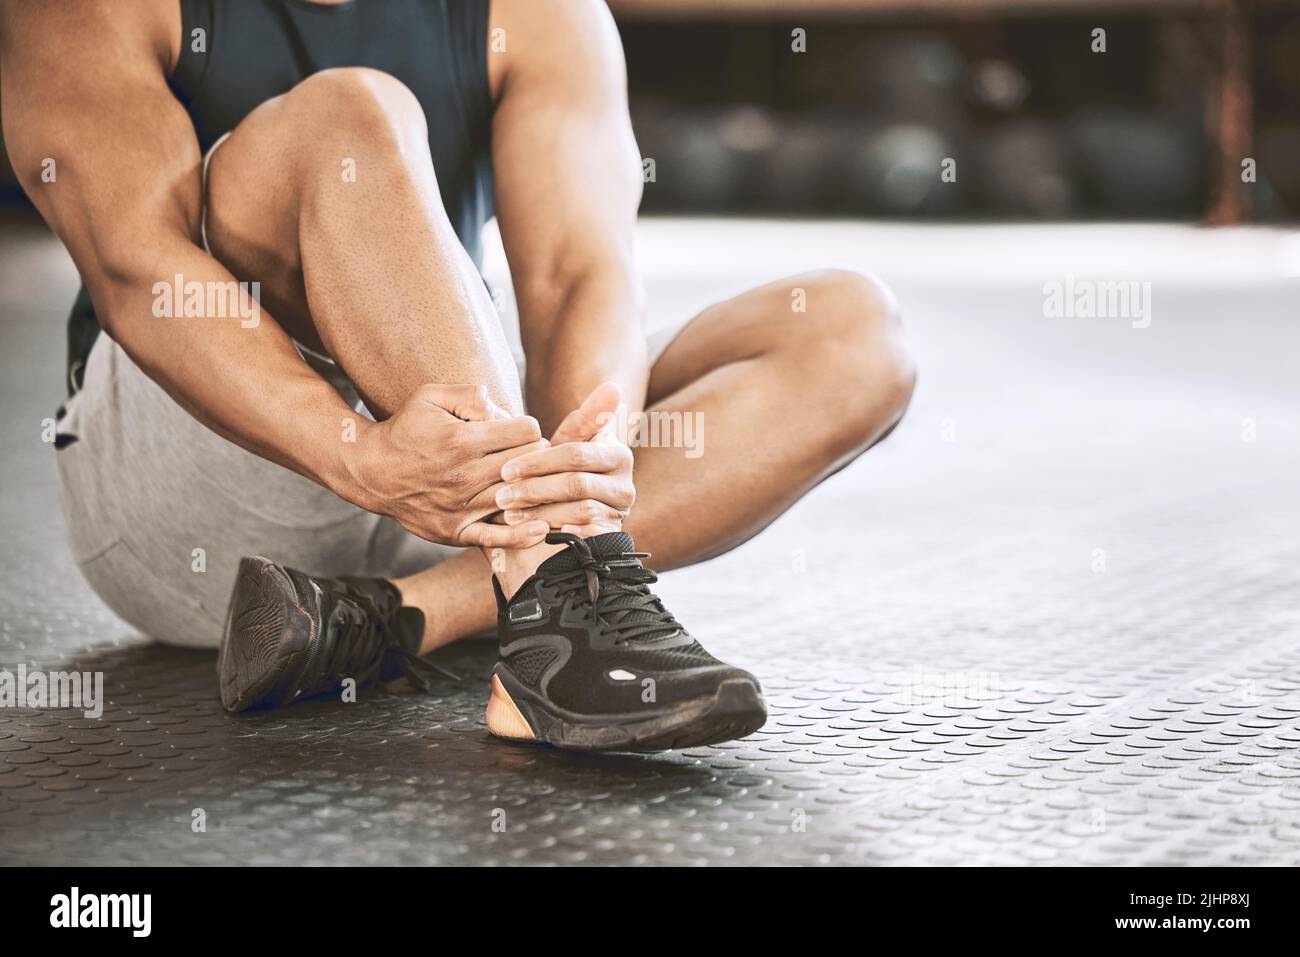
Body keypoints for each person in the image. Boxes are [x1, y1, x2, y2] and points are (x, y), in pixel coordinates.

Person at [0, 0, 915, 751]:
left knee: (854, 333)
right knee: (352, 114)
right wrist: (359, 454)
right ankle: (557, 596)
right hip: (202, 487)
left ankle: (408, 615)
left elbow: (575, 275)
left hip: (459, 465)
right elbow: (138, 275)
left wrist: (591, 459)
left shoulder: (539, 13)